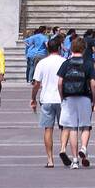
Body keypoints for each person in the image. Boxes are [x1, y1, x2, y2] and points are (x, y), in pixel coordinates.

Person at [57, 34, 95, 169]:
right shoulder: (88, 64)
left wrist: (62, 96)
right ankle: (84, 148)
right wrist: (94, 98)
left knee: (72, 128)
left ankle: (74, 160)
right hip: (84, 97)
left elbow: (60, 82)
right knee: (85, 126)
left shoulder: (66, 63)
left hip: (69, 97)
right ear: (84, 49)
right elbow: (93, 82)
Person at [31, 36, 66, 167]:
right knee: (64, 127)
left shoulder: (42, 63)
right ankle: (63, 149)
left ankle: (50, 159)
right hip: (61, 99)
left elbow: (36, 84)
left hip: (46, 99)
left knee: (48, 129)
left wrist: (33, 98)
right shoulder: (64, 61)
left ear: (47, 48)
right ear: (58, 48)